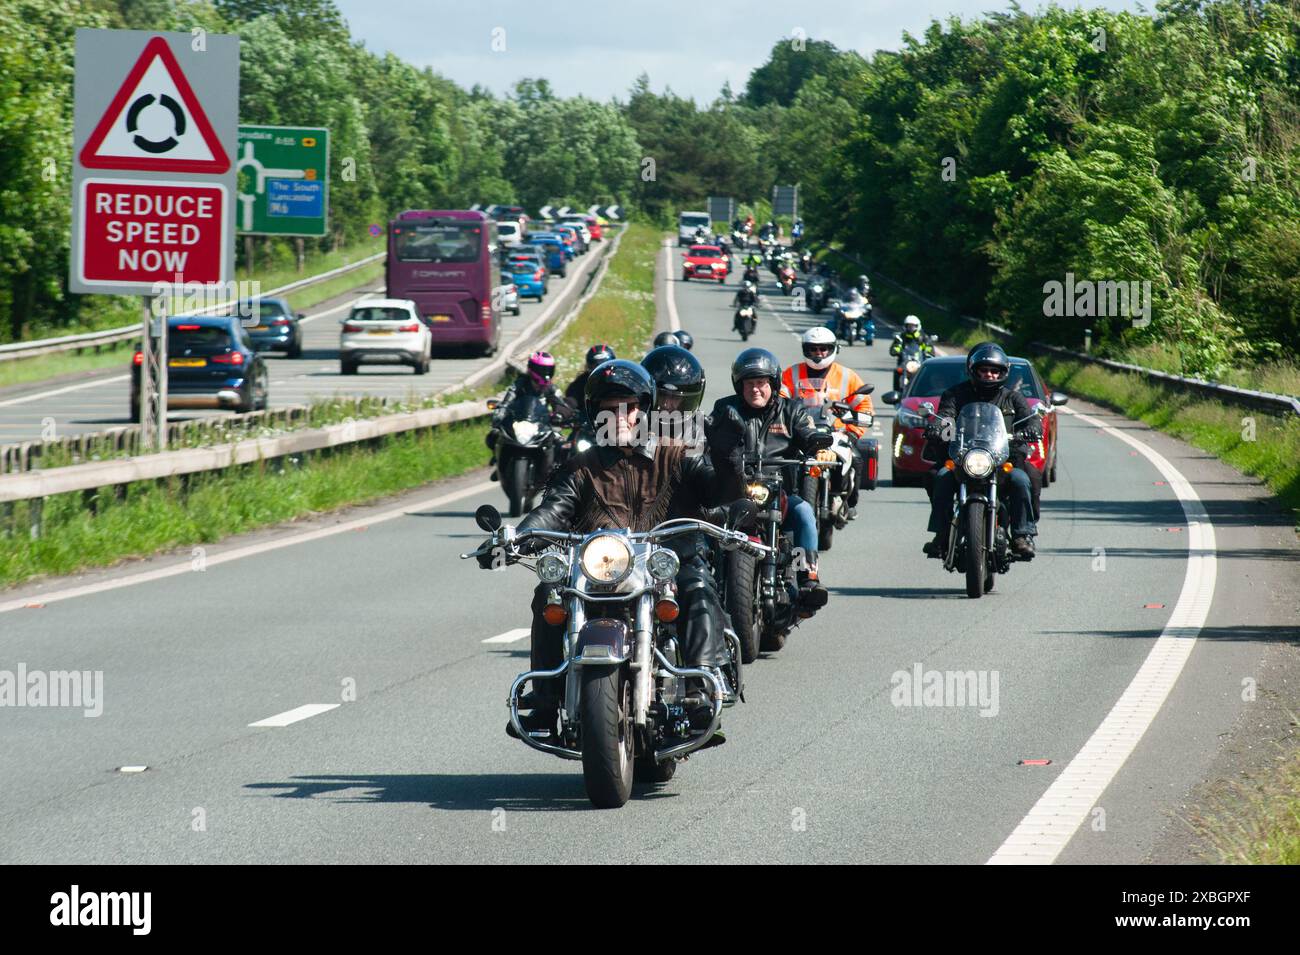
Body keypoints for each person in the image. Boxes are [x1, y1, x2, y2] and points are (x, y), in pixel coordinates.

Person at [483, 360, 744, 743]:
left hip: (665, 566)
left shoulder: (677, 456)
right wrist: (514, 538)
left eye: (629, 406)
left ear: (645, 410)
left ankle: (700, 692)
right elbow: (551, 511)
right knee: (548, 596)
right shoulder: (581, 469)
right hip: (600, 569)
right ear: (596, 413)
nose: (620, 415)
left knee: (697, 585)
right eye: (610, 408)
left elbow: (720, 493)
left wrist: (726, 458)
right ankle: (544, 699)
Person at [709, 348, 834, 612]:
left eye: (761, 383)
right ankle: (704, 576)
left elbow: (808, 432)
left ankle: (807, 577)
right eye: (750, 383)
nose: (756, 389)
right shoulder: (725, 409)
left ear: (773, 384)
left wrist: (817, 445)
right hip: (735, 490)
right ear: (739, 385)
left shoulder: (792, 410)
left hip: (779, 492)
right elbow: (709, 436)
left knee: (804, 514)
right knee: (706, 520)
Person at [923, 342, 1042, 560]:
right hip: (963, 458)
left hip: (1003, 460)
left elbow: (1030, 418)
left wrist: (1031, 428)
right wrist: (938, 426)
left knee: (1024, 480)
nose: (989, 374)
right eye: (984, 370)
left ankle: (1022, 535)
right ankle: (942, 533)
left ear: (1002, 372)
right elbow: (946, 414)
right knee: (939, 477)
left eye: (994, 370)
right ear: (974, 370)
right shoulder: (955, 394)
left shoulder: (1013, 398)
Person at [780, 327, 874, 518]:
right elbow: (779, 401)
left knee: (855, 459)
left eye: (823, 348)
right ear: (805, 350)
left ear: (833, 349)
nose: (818, 353)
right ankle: (781, 501)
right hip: (801, 432)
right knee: (780, 460)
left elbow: (864, 405)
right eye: (813, 349)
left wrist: (852, 432)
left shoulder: (848, 376)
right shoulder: (791, 374)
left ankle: (850, 502)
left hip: (836, 433)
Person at [487, 351, 571, 476]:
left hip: (542, 424)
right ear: (532, 369)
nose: (545, 374)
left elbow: (560, 404)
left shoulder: (552, 388)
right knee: (493, 435)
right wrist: (501, 411)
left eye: (548, 370)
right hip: (518, 421)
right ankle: (498, 462)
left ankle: (557, 472)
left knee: (562, 444)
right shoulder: (520, 383)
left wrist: (560, 415)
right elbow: (508, 398)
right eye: (542, 370)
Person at [642, 343, 706, 447]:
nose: (667, 404)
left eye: (675, 398)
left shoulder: (698, 433)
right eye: (662, 396)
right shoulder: (632, 422)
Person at [564, 343, 616, 409]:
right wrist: (566, 408)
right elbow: (572, 399)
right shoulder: (581, 382)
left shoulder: (621, 380)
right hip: (588, 417)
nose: (602, 372)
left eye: (605, 367)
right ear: (589, 368)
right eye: (596, 368)